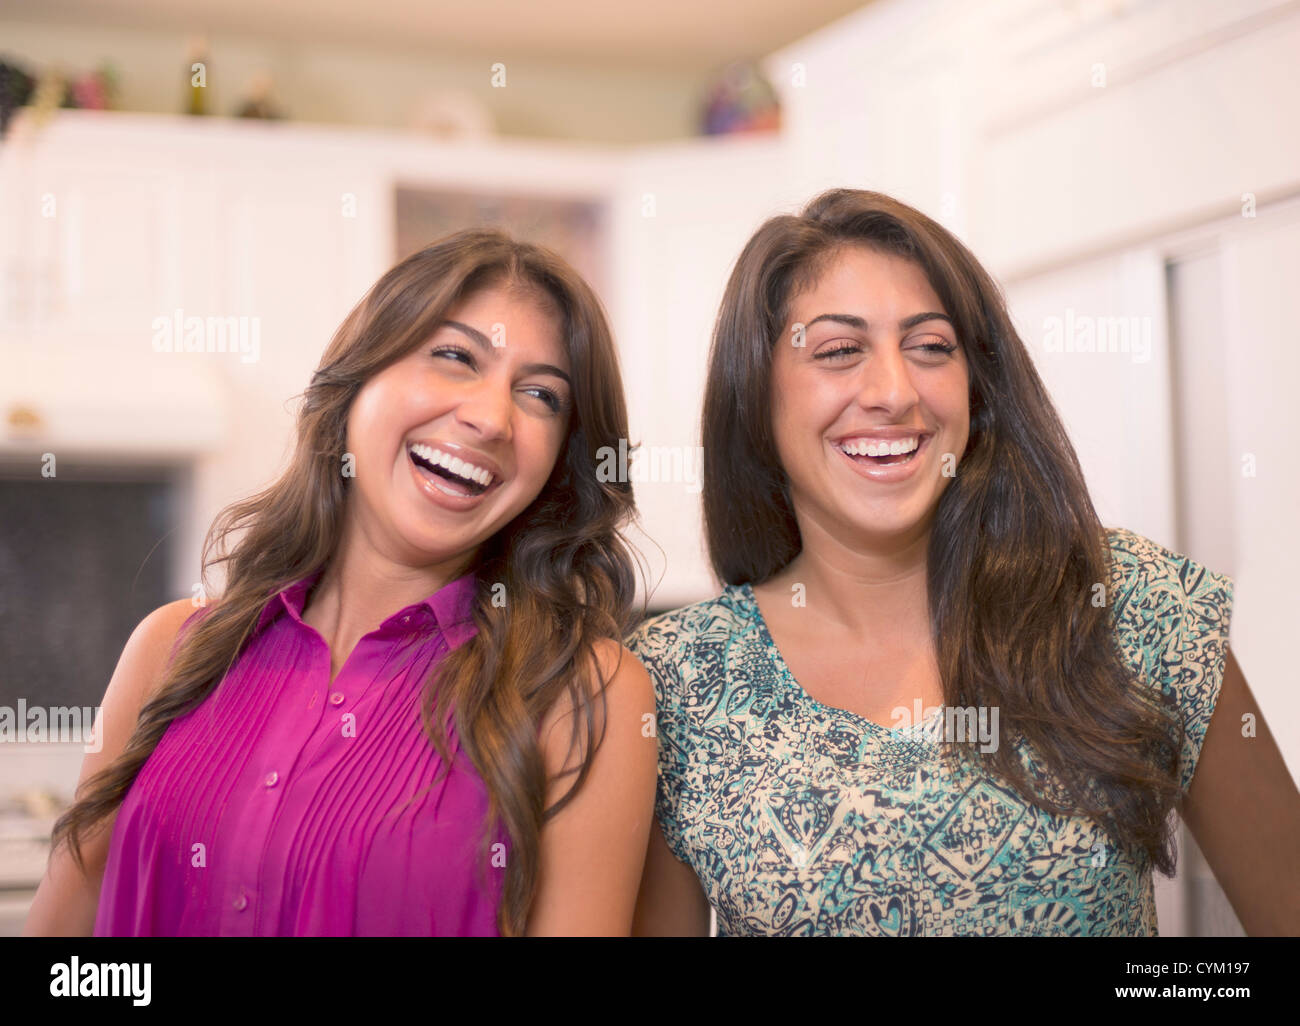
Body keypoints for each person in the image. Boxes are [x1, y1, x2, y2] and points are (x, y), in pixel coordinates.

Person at [627, 189, 1300, 936]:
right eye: (839, 351)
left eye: (931, 347)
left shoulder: (1133, 604)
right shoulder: (676, 680)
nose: (894, 391)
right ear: (755, 394)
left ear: (977, 391)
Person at [25, 229, 656, 937]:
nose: (490, 417)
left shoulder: (584, 698)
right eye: (454, 356)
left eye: (541, 395)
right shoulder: (169, 649)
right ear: (358, 379)